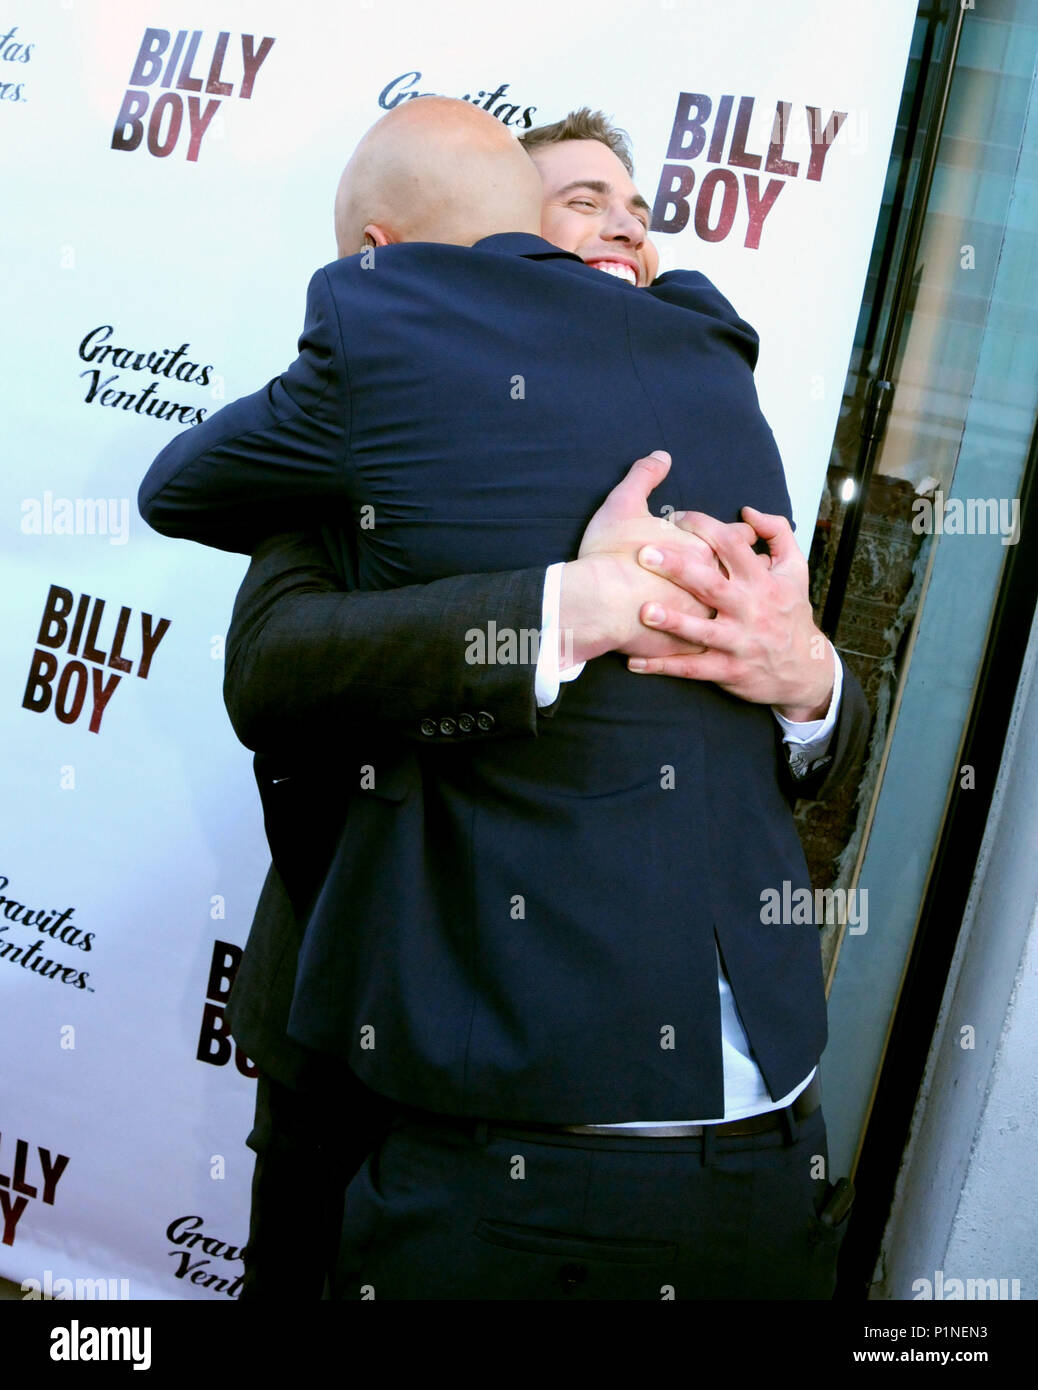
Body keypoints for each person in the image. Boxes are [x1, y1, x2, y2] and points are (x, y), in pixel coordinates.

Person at [139, 99, 869, 1299]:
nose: (621, 232)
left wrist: (813, 681)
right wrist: (557, 607)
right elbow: (271, 666)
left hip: (768, 1143)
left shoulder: (714, 405)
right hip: (416, 1099)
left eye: (638, 215)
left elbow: (809, 755)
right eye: (576, 202)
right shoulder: (372, 429)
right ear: (478, 242)